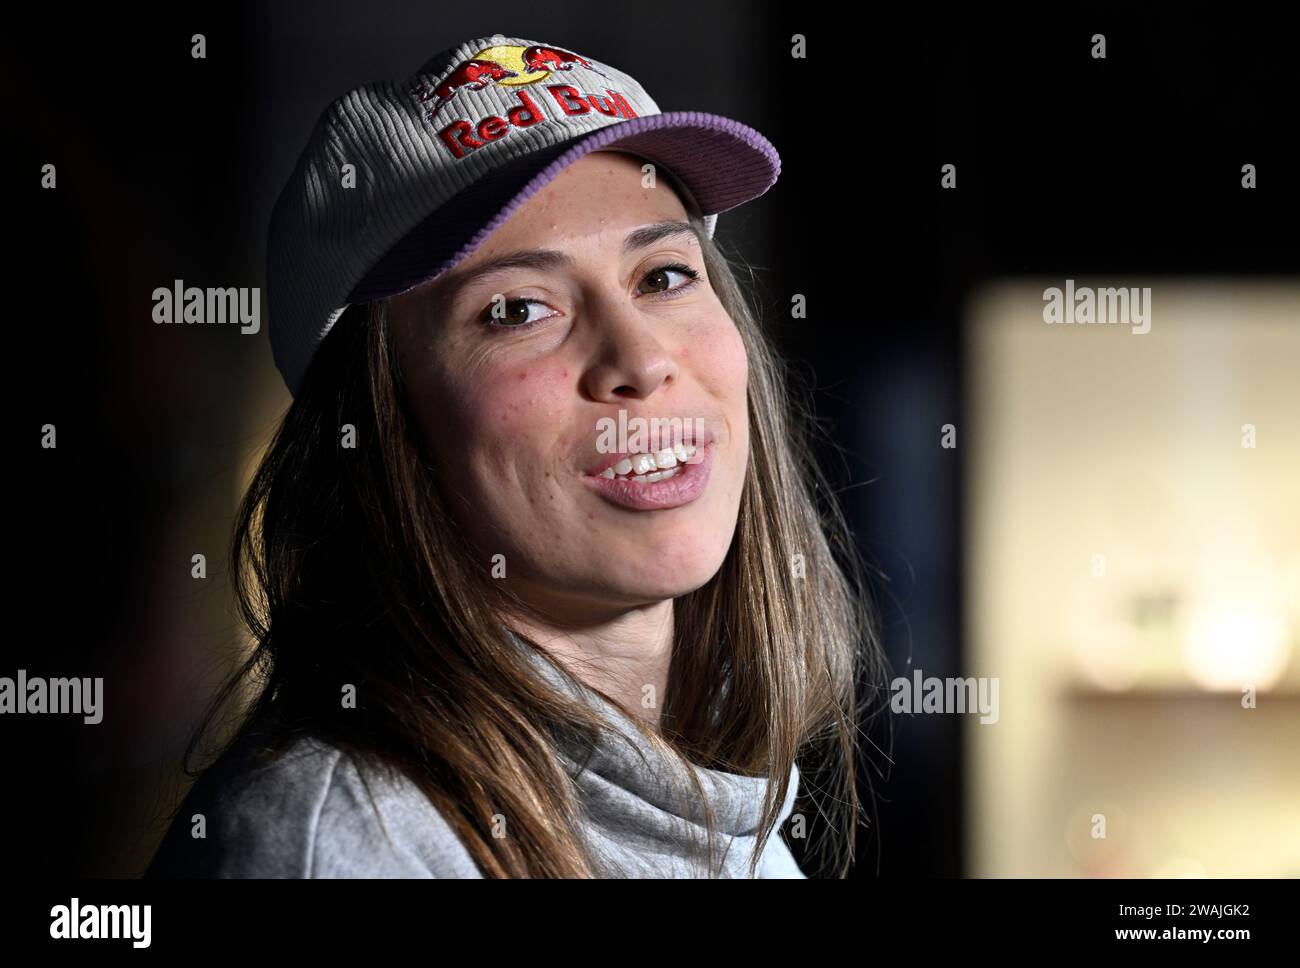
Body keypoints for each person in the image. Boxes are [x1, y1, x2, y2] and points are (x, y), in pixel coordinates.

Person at [145, 33, 886, 879]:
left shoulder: (712, 800)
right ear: (379, 424)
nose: (641, 360)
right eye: (518, 310)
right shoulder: (348, 841)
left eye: (662, 276)